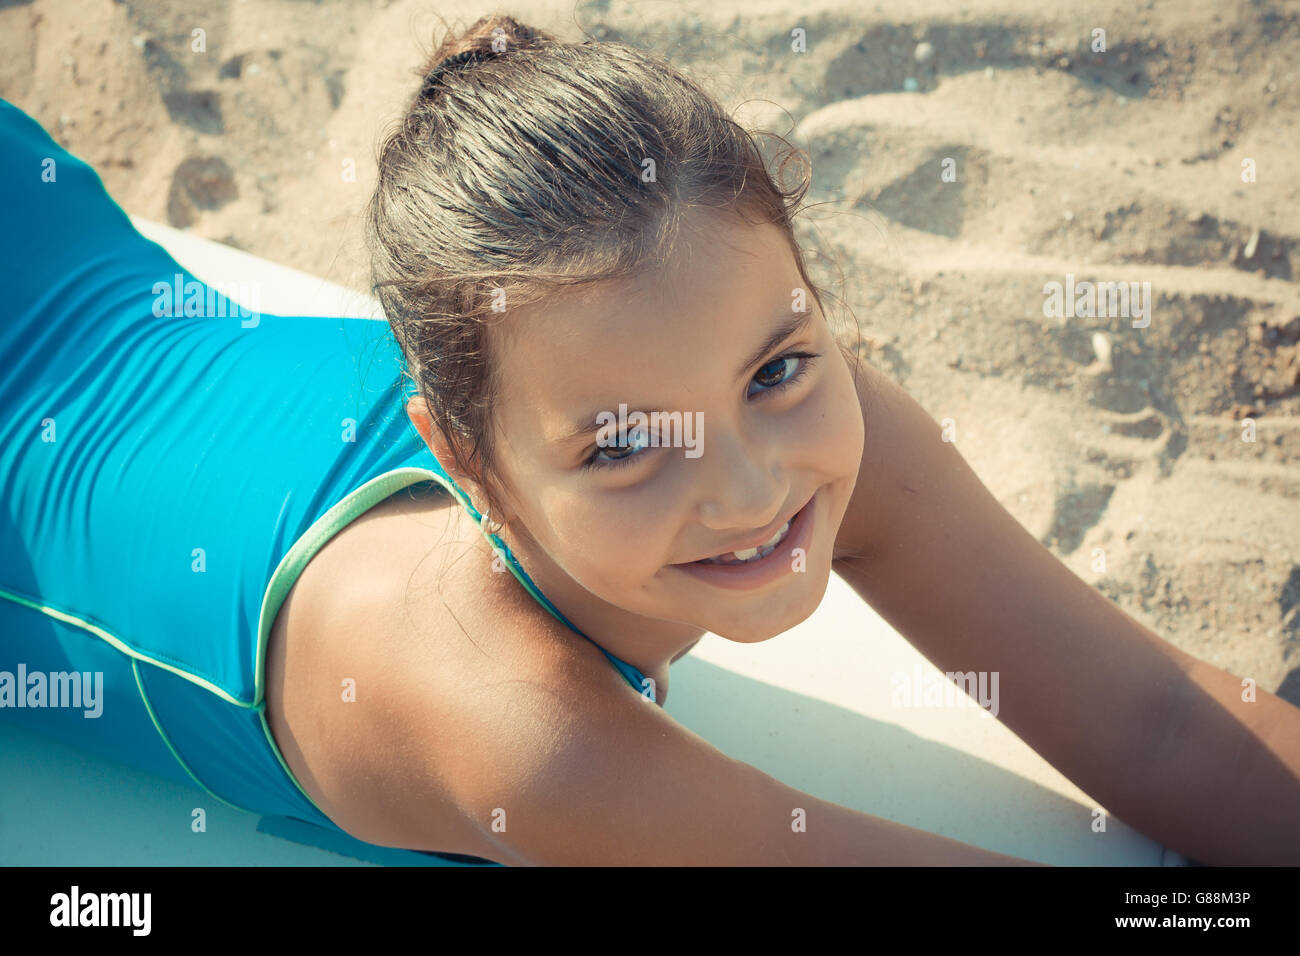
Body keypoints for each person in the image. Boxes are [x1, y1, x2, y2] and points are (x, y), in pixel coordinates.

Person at [2, 15, 1297, 867]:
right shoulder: (517, 734)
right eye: (623, 447)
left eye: (780, 367)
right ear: (465, 463)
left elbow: (1162, 724)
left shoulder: (785, 402)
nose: (750, 488)